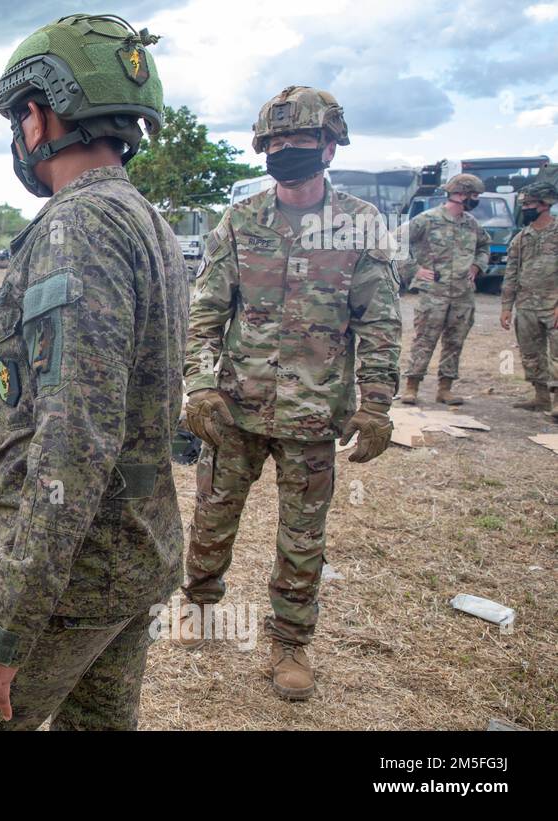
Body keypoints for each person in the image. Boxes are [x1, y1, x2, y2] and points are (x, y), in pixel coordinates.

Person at [0, 13, 187, 730]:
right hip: (130, 558)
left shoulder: (77, 227)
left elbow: (74, 440)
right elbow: (79, 367)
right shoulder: (140, 217)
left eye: (19, 118)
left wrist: (4, 627)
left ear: (39, 115)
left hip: (59, 584)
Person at [180, 86, 402, 701]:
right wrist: (199, 386)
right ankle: (199, 603)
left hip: (313, 415)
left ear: (329, 147)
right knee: (212, 516)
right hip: (235, 409)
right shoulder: (240, 220)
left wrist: (377, 403)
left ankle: (291, 641)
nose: (285, 152)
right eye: (274, 143)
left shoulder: (359, 225)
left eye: (299, 143)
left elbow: (380, 322)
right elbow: (204, 313)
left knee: (303, 537)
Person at [398, 174, 490, 406]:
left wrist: (478, 265)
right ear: (459, 194)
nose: (476, 200)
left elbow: (484, 247)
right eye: (474, 196)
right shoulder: (427, 220)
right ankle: (412, 387)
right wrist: (414, 269)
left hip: (462, 294)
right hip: (433, 294)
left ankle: (445, 389)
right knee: (424, 340)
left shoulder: (471, 224)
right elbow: (395, 242)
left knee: (455, 341)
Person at [500, 181, 558, 418]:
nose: (525, 208)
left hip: (552, 305)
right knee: (531, 353)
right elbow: (511, 274)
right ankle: (541, 397)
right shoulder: (521, 238)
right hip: (526, 306)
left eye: (530, 204)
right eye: (523, 204)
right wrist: (506, 307)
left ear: (546, 204)